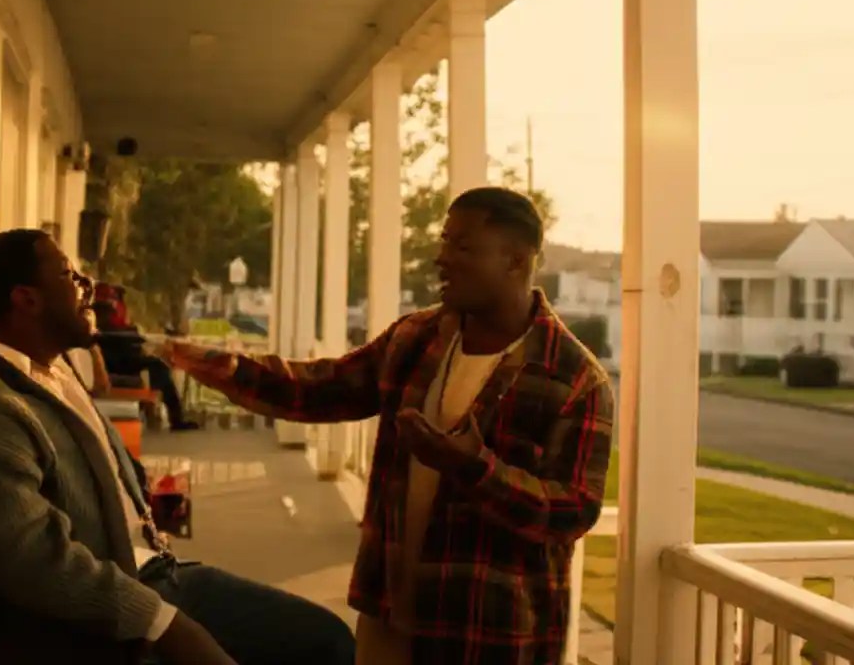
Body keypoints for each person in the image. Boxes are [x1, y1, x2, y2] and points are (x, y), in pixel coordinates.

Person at [159, 187, 615, 665]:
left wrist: (475, 469)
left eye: (462, 246)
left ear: (516, 262)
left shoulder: (574, 379)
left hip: (487, 631)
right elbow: (321, 388)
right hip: (390, 615)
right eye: (444, 242)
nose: (441, 259)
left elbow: (573, 510)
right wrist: (225, 368)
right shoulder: (417, 337)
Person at [0, 228, 355, 665]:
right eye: (71, 276)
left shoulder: (51, 370)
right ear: (26, 299)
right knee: (323, 647)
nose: (89, 287)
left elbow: (93, 472)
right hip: (106, 619)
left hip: (152, 571)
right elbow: (34, 562)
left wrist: (143, 500)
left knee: (326, 638)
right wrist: (166, 624)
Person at [93, 283, 198, 431]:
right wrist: (132, 335)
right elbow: (113, 335)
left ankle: (164, 413)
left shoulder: (111, 313)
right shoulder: (99, 314)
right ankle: (170, 416)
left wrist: (134, 335)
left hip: (122, 356)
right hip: (114, 360)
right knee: (158, 367)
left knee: (157, 366)